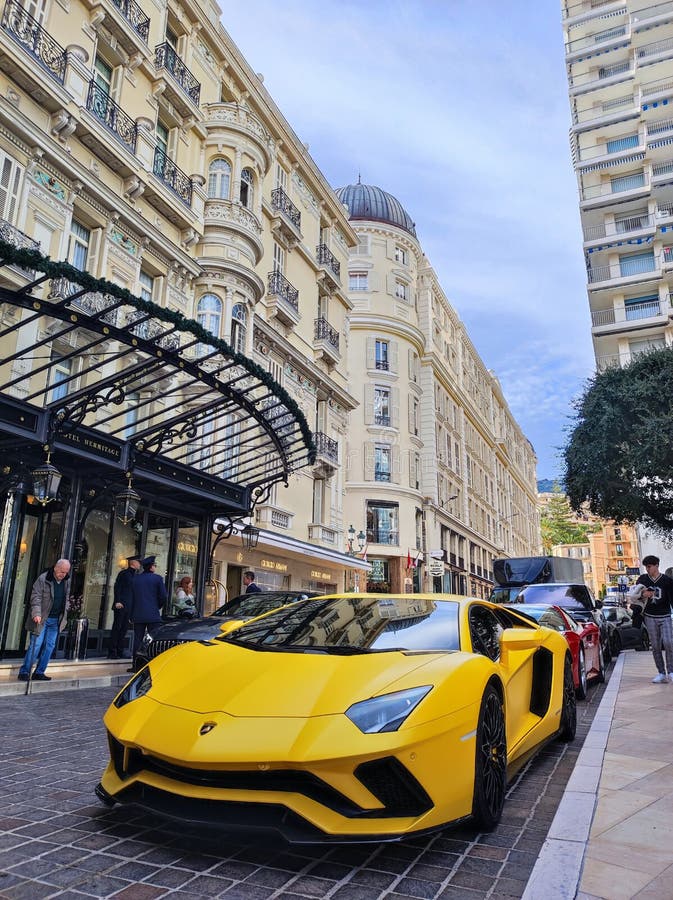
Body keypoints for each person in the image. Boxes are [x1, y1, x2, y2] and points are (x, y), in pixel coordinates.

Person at [17, 559, 71, 682]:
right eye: (62, 571)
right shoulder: (43, 578)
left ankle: (39, 672)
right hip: (42, 618)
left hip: (56, 620)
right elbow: (35, 597)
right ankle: (25, 672)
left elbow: (66, 597)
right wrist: (36, 613)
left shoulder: (66, 581)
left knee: (49, 646)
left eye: (66, 572)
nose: (63, 574)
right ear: (56, 568)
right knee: (36, 645)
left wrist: (66, 611)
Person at [629, 555, 673, 683]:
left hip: (665, 615)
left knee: (669, 643)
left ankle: (671, 671)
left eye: (649, 567)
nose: (647, 569)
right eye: (646, 567)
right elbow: (634, 594)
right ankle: (661, 673)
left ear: (656, 566)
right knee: (655, 646)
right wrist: (643, 594)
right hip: (649, 616)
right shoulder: (643, 579)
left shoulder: (667, 581)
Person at [129, 556, 167, 665]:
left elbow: (131, 597)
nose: (155, 567)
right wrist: (157, 606)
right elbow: (163, 596)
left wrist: (131, 614)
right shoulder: (157, 578)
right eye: (154, 565)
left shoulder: (135, 579)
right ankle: (151, 663)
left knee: (138, 639)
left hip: (138, 614)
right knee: (153, 639)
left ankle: (135, 663)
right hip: (152, 614)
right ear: (151, 567)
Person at [108, 555, 141, 659]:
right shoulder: (123, 573)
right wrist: (117, 601)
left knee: (124, 629)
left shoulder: (135, 576)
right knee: (117, 628)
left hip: (129, 606)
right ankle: (112, 652)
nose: (139, 564)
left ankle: (120, 651)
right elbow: (117, 587)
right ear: (133, 563)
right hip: (121, 605)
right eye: (138, 562)